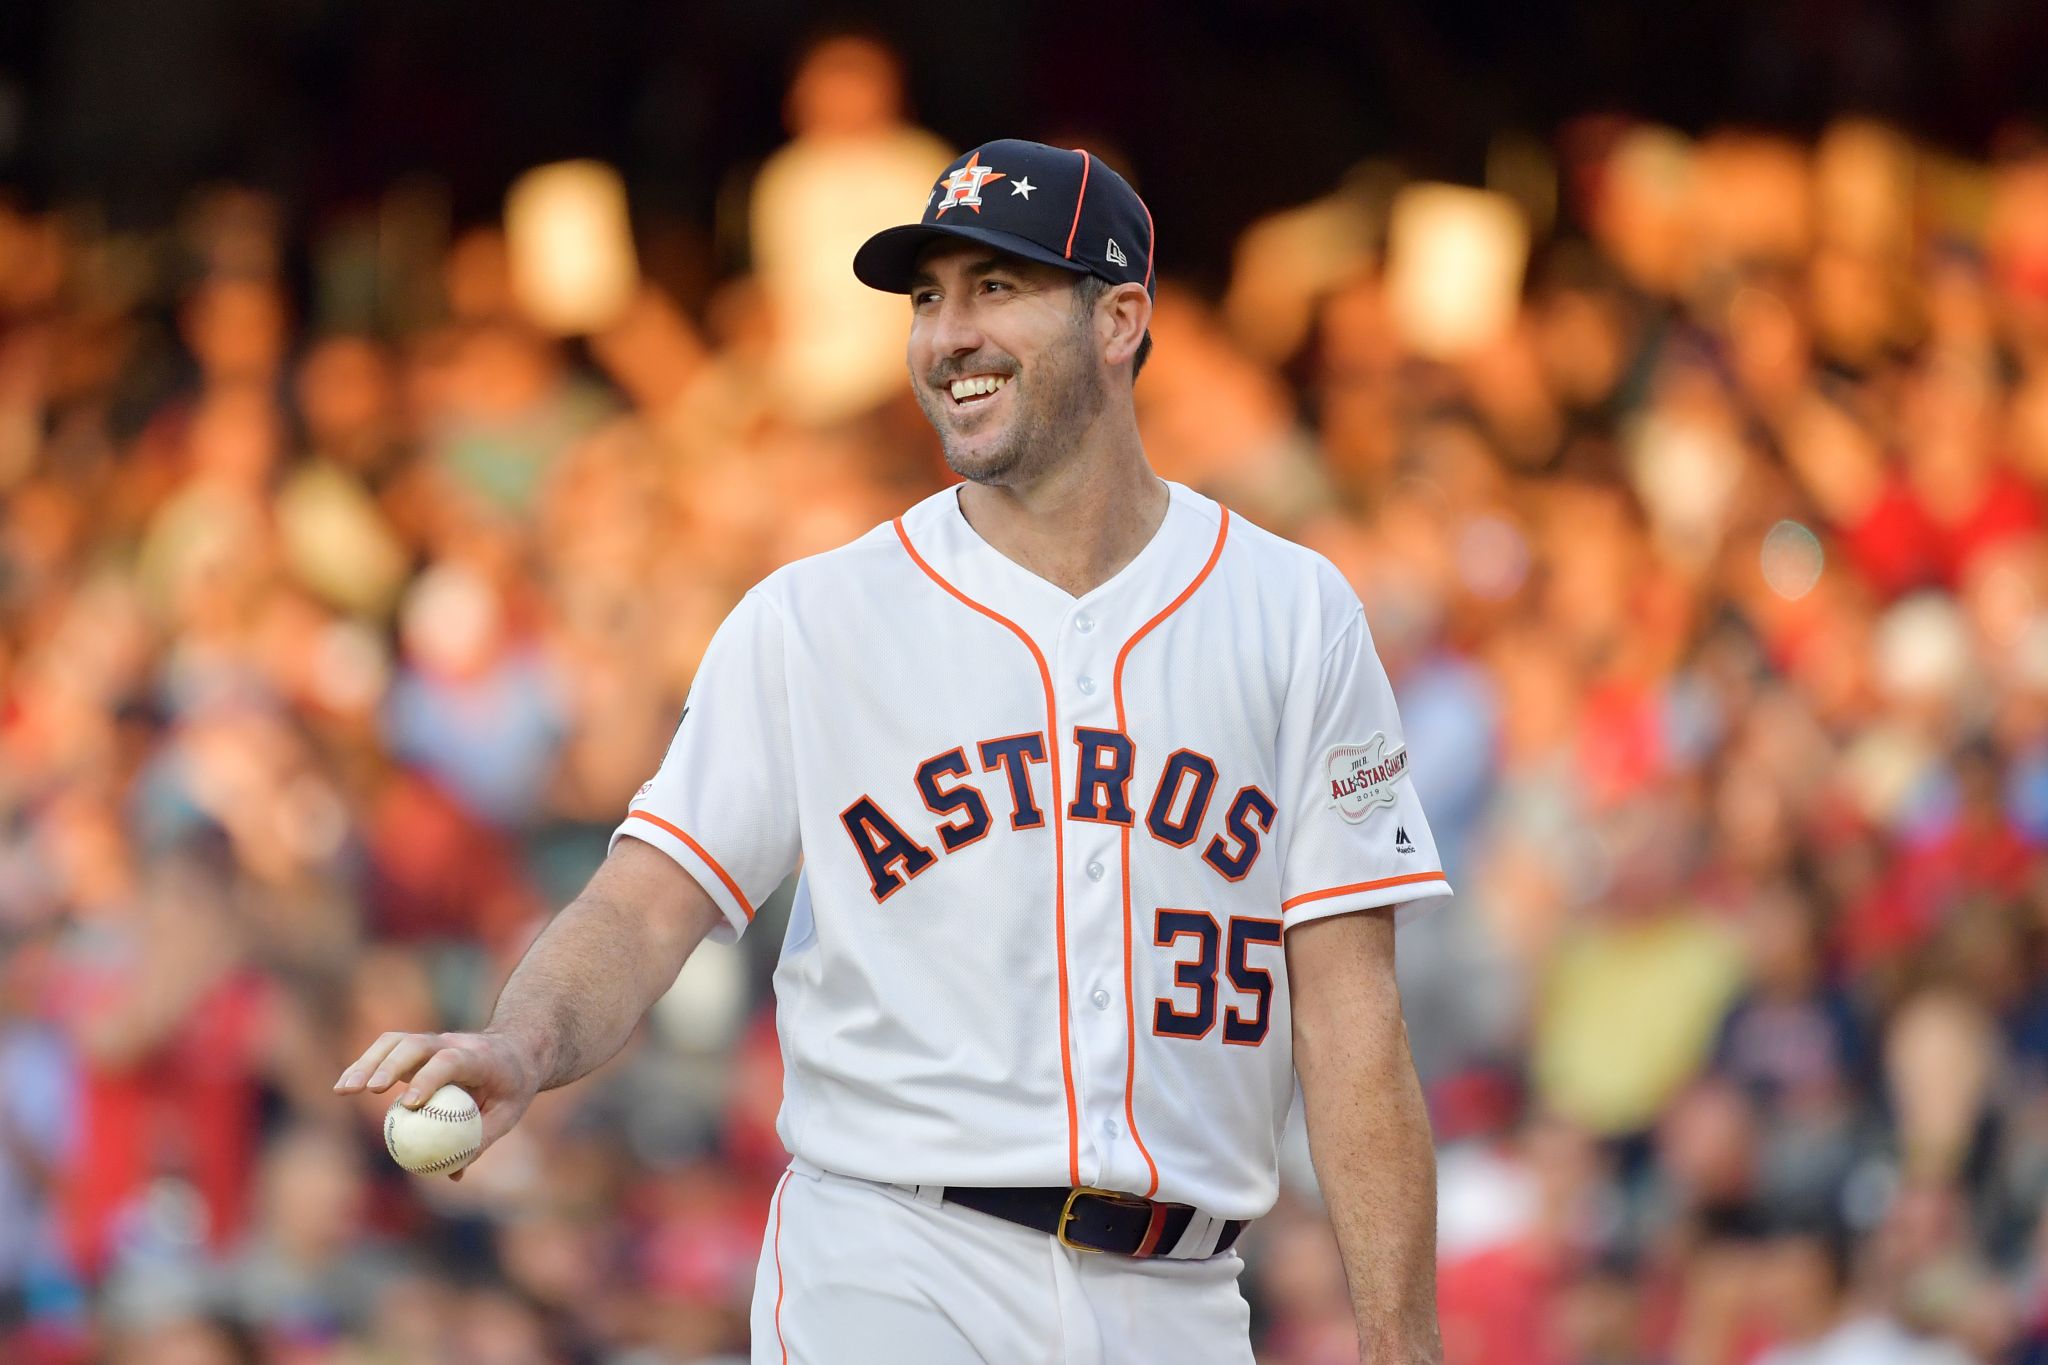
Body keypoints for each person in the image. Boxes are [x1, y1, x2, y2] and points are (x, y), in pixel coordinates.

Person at [337, 138, 1451, 1364]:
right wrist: (522, 1040)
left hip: (1183, 1295)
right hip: (893, 1262)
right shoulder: (815, 617)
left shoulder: (1290, 612)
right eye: (927, 298)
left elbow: (1351, 1013)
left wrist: (1399, 1342)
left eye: (997, 288)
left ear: (1120, 319)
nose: (947, 336)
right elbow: (646, 902)